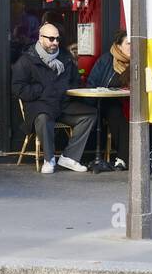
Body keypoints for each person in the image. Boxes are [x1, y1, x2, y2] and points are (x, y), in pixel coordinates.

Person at [11, 21, 95, 174]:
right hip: (40, 104)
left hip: (62, 103)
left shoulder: (65, 57)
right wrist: (41, 89)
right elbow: (18, 88)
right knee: (43, 118)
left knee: (89, 114)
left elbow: (75, 80)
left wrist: (69, 90)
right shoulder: (27, 60)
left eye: (57, 39)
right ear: (40, 38)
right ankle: (49, 159)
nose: (55, 42)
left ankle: (70, 157)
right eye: (51, 39)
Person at [86, 29, 132, 171]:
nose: (132, 47)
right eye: (128, 43)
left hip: (131, 102)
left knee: (134, 113)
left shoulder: (139, 62)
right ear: (118, 46)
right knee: (118, 112)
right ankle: (123, 158)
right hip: (106, 102)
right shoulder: (106, 60)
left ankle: (129, 157)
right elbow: (92, 84)